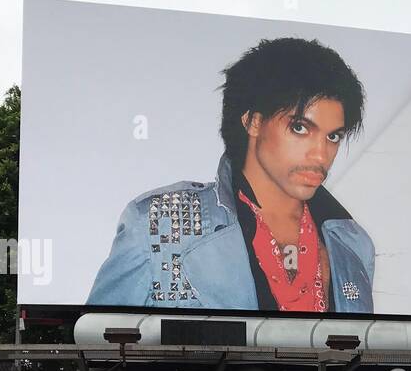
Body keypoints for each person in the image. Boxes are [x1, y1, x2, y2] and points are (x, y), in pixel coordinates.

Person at [87, 37, 375, 312]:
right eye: (300, 128)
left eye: (334, 136)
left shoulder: (352, 244)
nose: (321, 155)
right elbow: (98, 348)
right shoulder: (160, 221)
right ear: (253, 121)